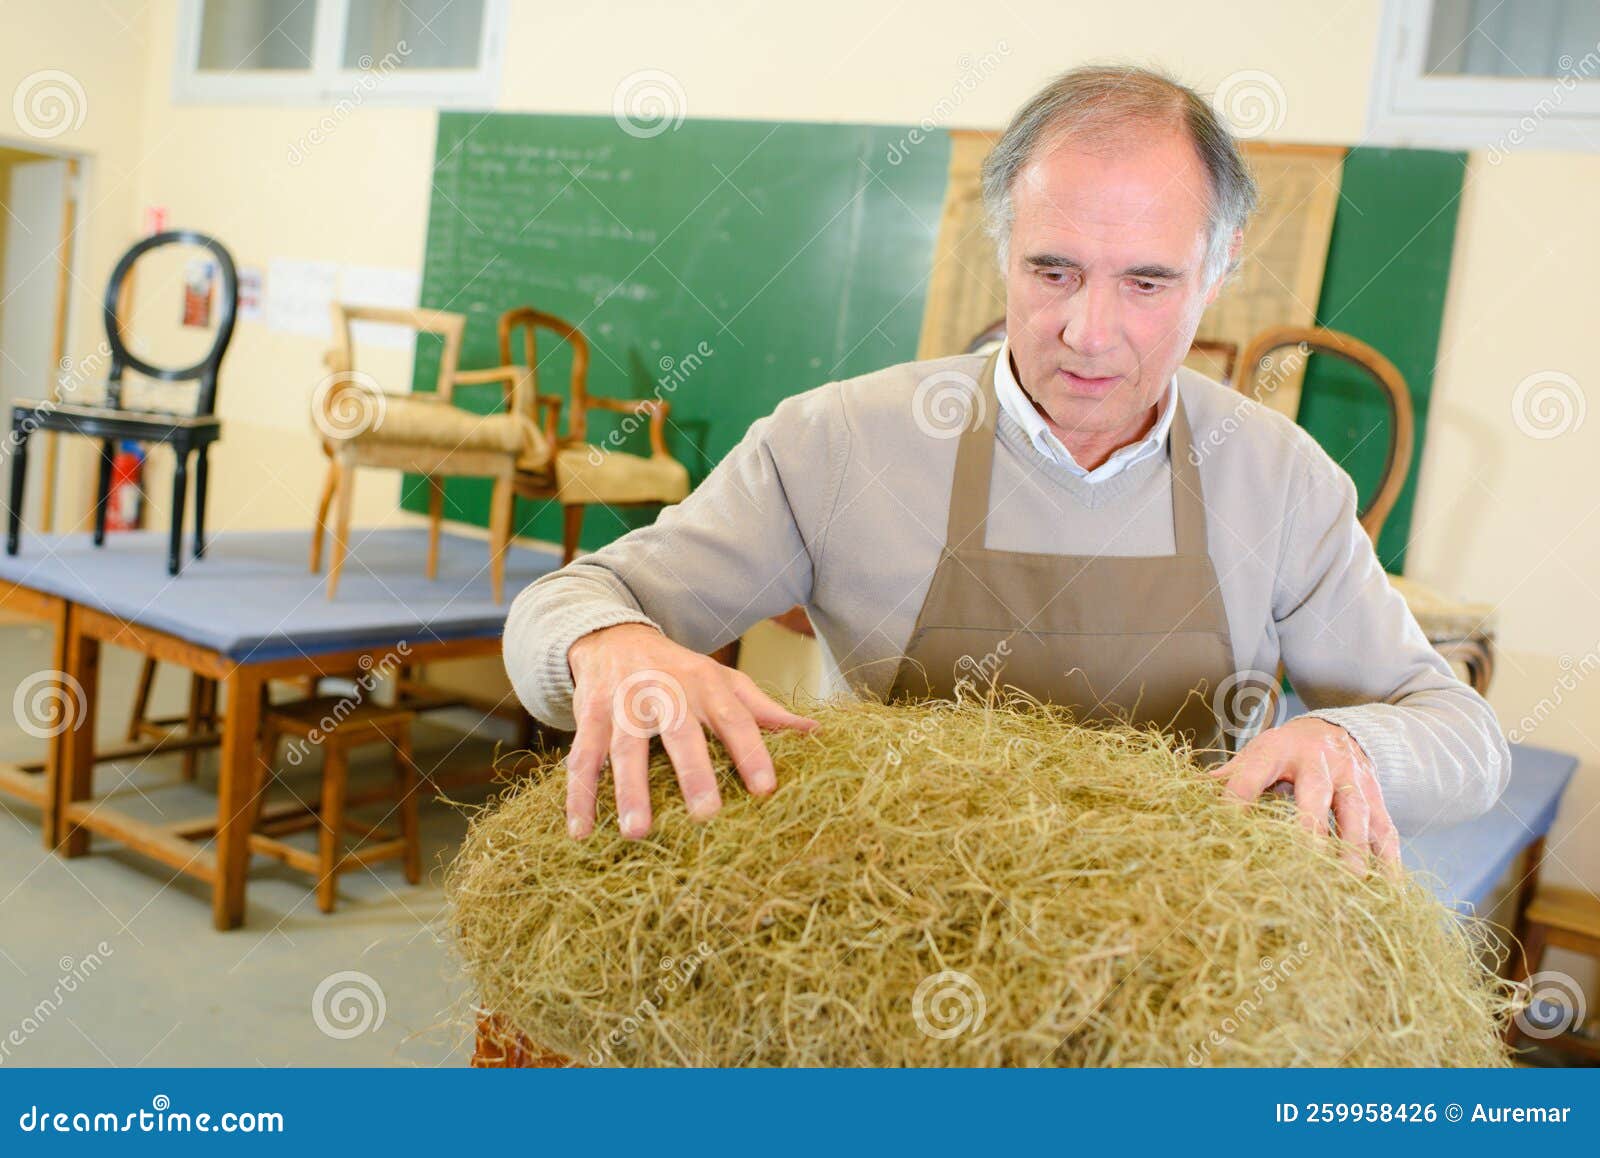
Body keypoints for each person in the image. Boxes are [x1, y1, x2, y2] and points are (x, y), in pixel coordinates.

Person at [504, 65, 1509, 868]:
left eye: (1148, 281)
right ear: (1000, 244)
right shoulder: (838, 441)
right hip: (883, 915)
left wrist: (1350, 745)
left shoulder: (1277, 478)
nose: (1089, 332)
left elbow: (1461, 738)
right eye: (1052, 270)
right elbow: (574, 602)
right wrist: (611, 647)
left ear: (1222, 263)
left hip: (1179, 953)